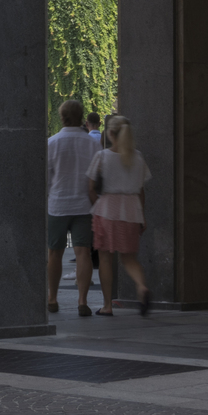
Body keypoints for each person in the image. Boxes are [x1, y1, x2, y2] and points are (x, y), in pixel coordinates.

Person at [87, 115, 152, 316]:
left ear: (111, 133)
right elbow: (141, 191)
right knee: (129, 258)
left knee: (105, 259)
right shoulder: (138, 157)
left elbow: (90, 187)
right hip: (131, 211)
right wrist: (142, 217)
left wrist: (96, 205)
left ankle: (107, 306)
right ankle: (141, 287)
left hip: (107, 210)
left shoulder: (102, 156)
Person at [47, 98, 96, 316]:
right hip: (84, 205)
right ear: (81, 117)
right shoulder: (93, 143)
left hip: (58, 203)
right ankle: (82, 301)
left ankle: (52, 298)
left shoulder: (52, 142)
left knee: (55, 252)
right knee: (83, 251)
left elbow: (47, 177)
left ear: (62, 117)